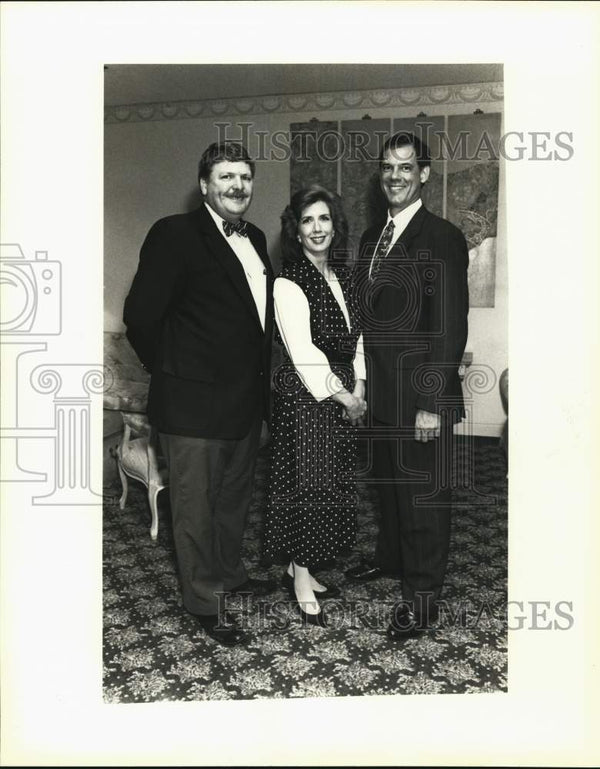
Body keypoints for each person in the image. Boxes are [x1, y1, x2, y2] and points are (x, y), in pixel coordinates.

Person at [123, 141, 276, 647]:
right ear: (205, 185)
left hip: (245, 403)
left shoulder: (255, 237)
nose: (237, 186)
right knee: (194, 508)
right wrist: (173, 372)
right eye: (226, 176)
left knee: (232, 501)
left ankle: (229, 576)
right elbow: (141, 316)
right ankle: (205, 602)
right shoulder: (174, 234)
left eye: (245, 177)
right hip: (192, 405)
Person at [348, 131, 469, 639]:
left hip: (419, 396)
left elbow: (449, 325)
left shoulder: (441, 236)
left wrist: (431, 403)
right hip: (381, 394)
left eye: (405, 167)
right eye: (387, 167)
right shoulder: (372, 238)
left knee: (423, 499)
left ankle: (422, 600)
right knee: (390, 489)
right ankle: (392, 558)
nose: (394, 176)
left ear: (423, 174)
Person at [262, 185, 367, 627]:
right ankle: (301, 580)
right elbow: (303, 352)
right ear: (296, 231)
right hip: (306, 399)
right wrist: (345, 397)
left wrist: (360, 387)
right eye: (307, 220)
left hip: (344, 394)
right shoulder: (288, 282)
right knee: (310, 489)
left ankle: (297, 568)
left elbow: (359, 339)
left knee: (332, 485)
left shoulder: (344, 277)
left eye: (324, 218)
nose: (317, 228)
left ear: (334, 226)